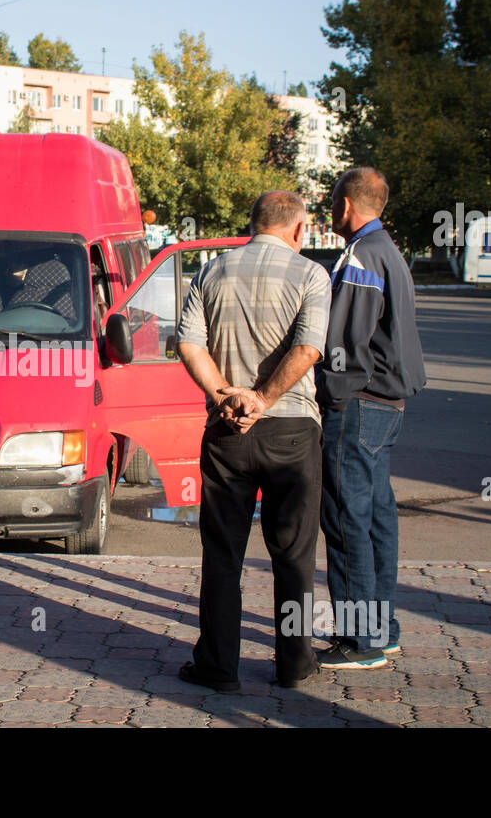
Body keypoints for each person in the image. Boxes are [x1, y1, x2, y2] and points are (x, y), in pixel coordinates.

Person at [175, 190, 331, 691]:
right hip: (292, 430)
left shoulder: (211, 271)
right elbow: (309, 348)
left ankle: (218, 667)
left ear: (253, 223)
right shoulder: (311, 275)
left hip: (226, 433)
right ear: (300, 229)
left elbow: (188, 342)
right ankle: (294, 662)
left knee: (223, 554)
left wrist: (225, 395)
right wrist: (261, 398)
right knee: (293, 554)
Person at [315, 167, 426, 670]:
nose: (329, 208)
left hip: (358, 403)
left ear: (346, 205)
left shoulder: (361, 254)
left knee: (346, 518)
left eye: (333, 201)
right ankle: (383, 630)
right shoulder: (389, 252)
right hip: (389, 402)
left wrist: (332, 394)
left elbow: (345, 341)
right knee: (378, 515)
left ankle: (361, 641)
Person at [5, 255, 75, 319]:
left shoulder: (19, 299)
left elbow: (9, 331)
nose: (6, 273)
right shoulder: (69, 302)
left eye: (10, 269)